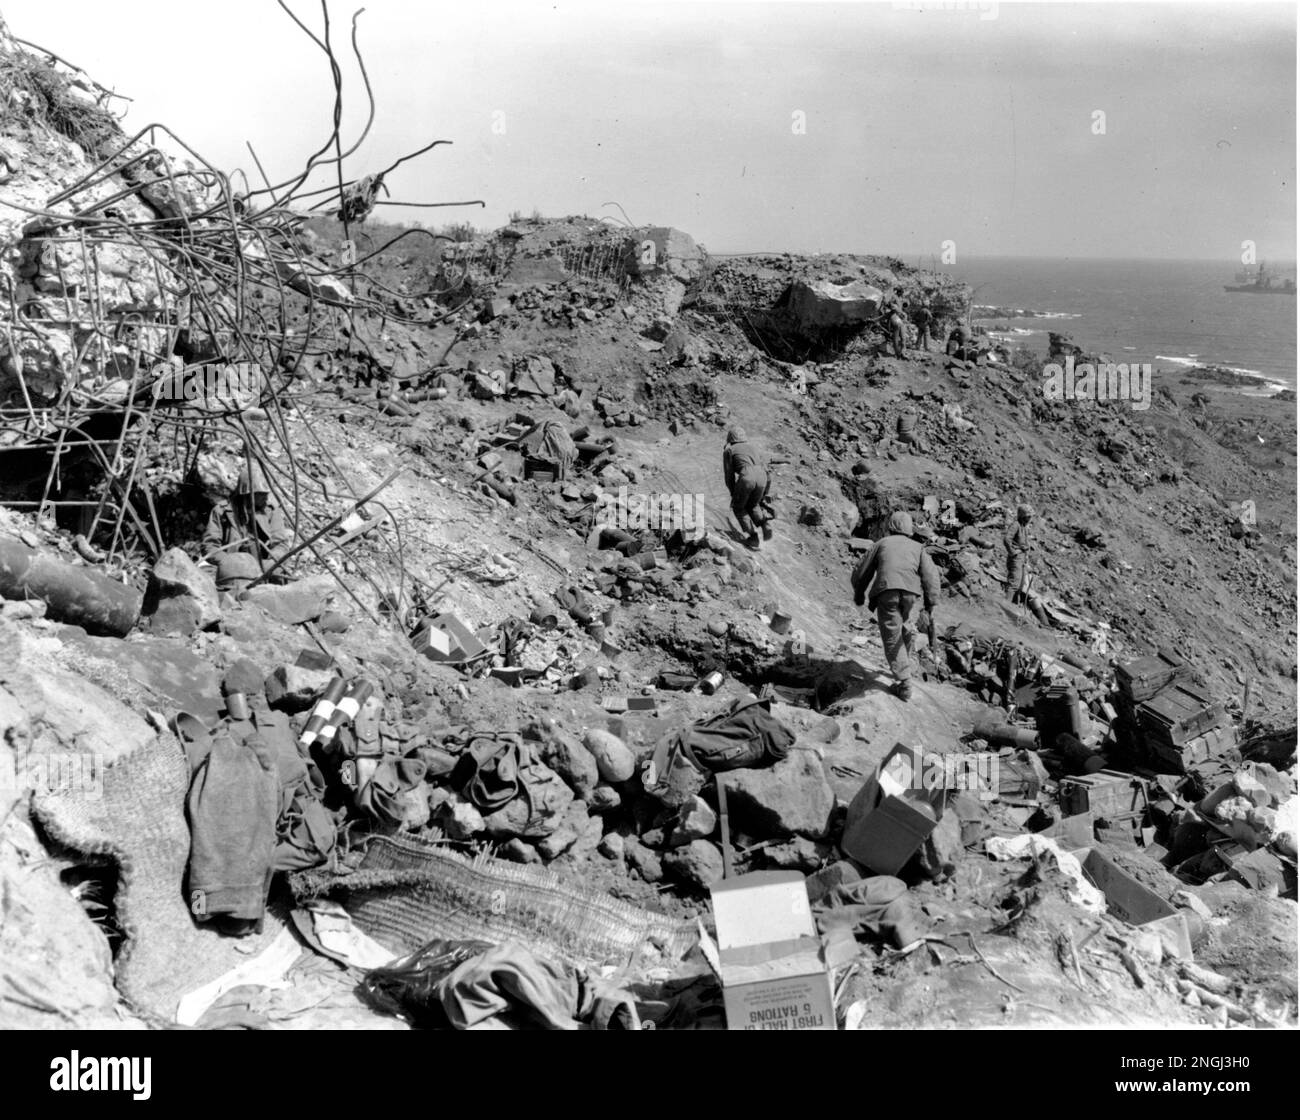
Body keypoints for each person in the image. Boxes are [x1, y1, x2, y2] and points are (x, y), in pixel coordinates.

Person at [851, 511, 941, 702]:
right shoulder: (918, 548)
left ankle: (904, 682)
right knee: (905, 625)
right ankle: (904, 665)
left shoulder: (881, 543)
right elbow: (931, 577)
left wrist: (859, 595)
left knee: (891, 634)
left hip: (887, 591)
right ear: (909, 529)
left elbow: (861, 572)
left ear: (890, 526)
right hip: (910, 594)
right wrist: (930, 603)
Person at [202, 462, 292, 570]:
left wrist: (270, 561)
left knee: (279, 573)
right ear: (248, 494)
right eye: (261, 494)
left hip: (263, 566)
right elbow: (210, 546)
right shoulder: (222, 511)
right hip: (232, 568)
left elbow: (281, 544)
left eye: (267, 493)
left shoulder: (271, 511)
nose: (266, 498)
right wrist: (232, 563)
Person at [723, 427, 770, 548]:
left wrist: (733, 492)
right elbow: (766, 469)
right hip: (762, 476)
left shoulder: (729, 450)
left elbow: (729, 475)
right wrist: (765, 492)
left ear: (730, 438)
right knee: (753, 504)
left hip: (747, 476)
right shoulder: (753, 447)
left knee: (738, 508)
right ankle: (765, 525)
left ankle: (753, 537)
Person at [1004, 503, 1034, 601]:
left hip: (1022, 558)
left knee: (1021, 585)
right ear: (1023, 516)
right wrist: (1012, 552)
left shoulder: (1024, 527)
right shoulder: (1015, 525)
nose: (1030, 518)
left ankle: (1013, 607)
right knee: (1014, 584)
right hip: (1016, 558)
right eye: (1028, 516)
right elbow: (1006, 539)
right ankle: (1005, 605)